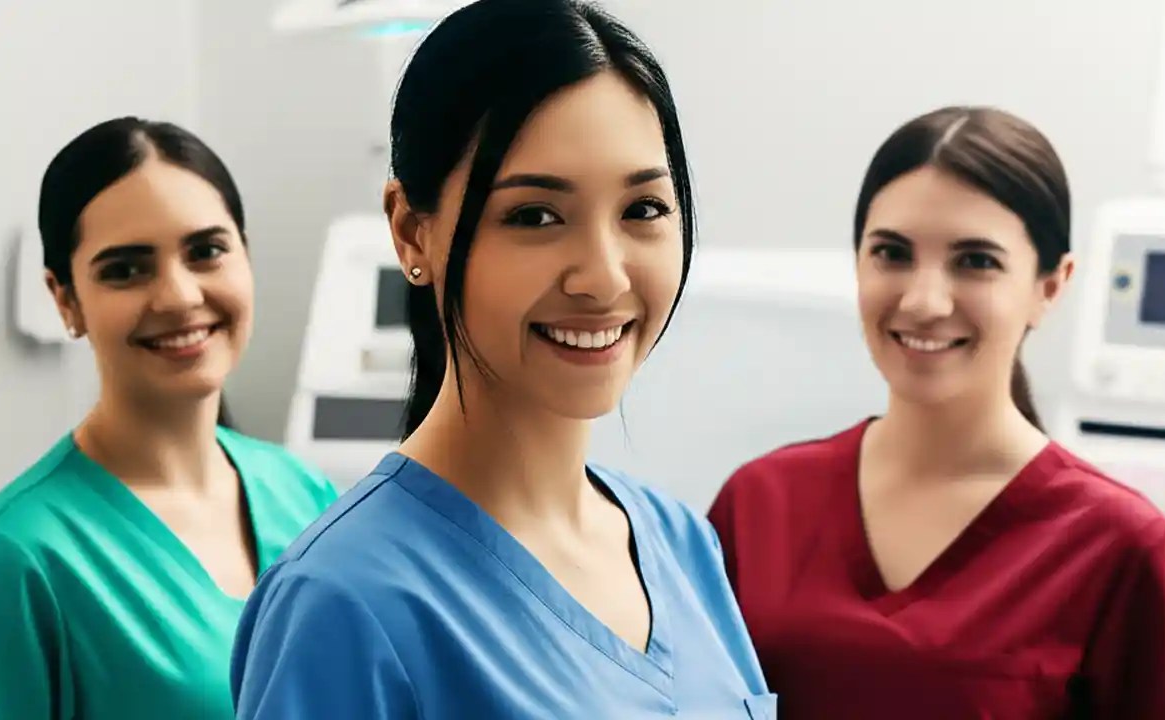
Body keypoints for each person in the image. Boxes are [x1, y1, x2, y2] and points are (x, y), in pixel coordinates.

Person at [229, 1, 774, 718]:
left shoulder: (681, 545)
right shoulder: (345, 605)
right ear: (410, 231)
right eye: (535, 217)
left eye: (642, 209)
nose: (604, 278)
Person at [707, 106, 1165, 719]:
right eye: (892, 253)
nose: (925, 300)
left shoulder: (1114, 544)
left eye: (976, 261)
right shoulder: (759, 505)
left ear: (1051, 286)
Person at [0, 117, 340, 720]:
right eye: (126, 269)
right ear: (66, 300)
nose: (179, 297)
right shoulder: (22, 557)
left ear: (246, 257)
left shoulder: (307, 494)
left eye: (206, 251)